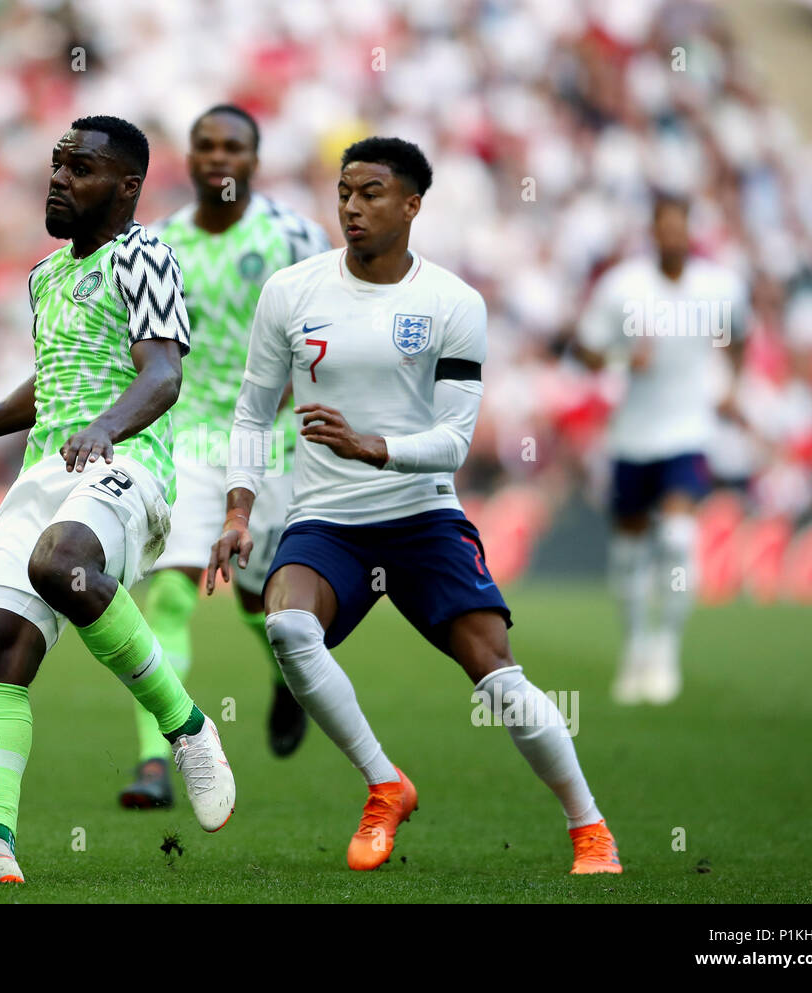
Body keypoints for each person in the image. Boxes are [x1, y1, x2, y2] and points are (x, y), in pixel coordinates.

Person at [210, 136, 619, 874]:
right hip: (327, 519)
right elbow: (250, 411)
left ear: (412, 204)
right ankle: (384, 782)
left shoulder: (452, 302)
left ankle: (588, 826)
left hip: (422, 514)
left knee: (497, 673)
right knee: (288, 625)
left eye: (370, 193)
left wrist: (375, 447)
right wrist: (239, 509)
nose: (352, 207)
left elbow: (456, 440)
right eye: (344, 192)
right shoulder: (292, 291)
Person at [0, 116, 235, 884]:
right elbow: (52, 380)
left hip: (130, 464)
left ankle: (185, 726)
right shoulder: (46, 275)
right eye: (57, 164)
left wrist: (103, 428)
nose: (58, 178)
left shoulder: (144, 254)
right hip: (47, 471)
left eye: (80, 168)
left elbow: (162, 374)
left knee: (61, 562)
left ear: (126, 186)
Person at [118, 104, 330, 809]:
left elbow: (327, 338)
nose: (218, 158)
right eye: (204, 145)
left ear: (254, 160)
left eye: (232, 147)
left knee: (256, 597)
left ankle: (284, 677)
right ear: (188, 155)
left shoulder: (294, 237)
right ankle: (158, 757)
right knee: (172, 592)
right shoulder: (160, 243)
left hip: (271, 446)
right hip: (186, 440)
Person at [576, 194, 748, 705]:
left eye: (680, 228)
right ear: (652, 233)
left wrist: (731, 385)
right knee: (629, 552)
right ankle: (634, 649)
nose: (672, 237)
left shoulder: (719, 286)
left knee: (676, 537)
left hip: (688, 431)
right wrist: (621, 355)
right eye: (664, 228)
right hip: (632, 434)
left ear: (690, 231)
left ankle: (666, 647)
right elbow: (585, 351)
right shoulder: (622, 287)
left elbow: (738, 336)